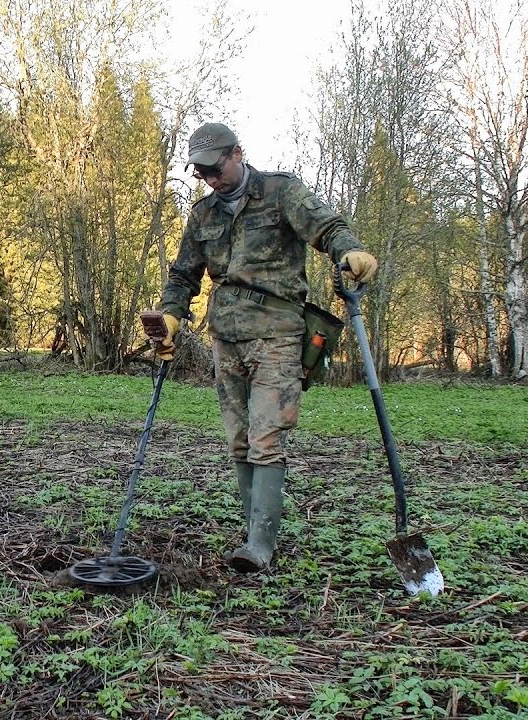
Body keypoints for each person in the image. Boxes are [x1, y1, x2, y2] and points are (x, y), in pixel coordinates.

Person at [147, 122, 378, 573]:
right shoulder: (203, 214)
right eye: (201, 173)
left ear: (237, 154)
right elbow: (183, 275)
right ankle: (252, 531)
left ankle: (260, 545)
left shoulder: (281, 191)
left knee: (266, 438)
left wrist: (349, 252)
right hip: (226, 337)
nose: (210, 180)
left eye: (215, 169)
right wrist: (171, 316)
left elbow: (327, 227)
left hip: (277, 334)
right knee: (239, 440)